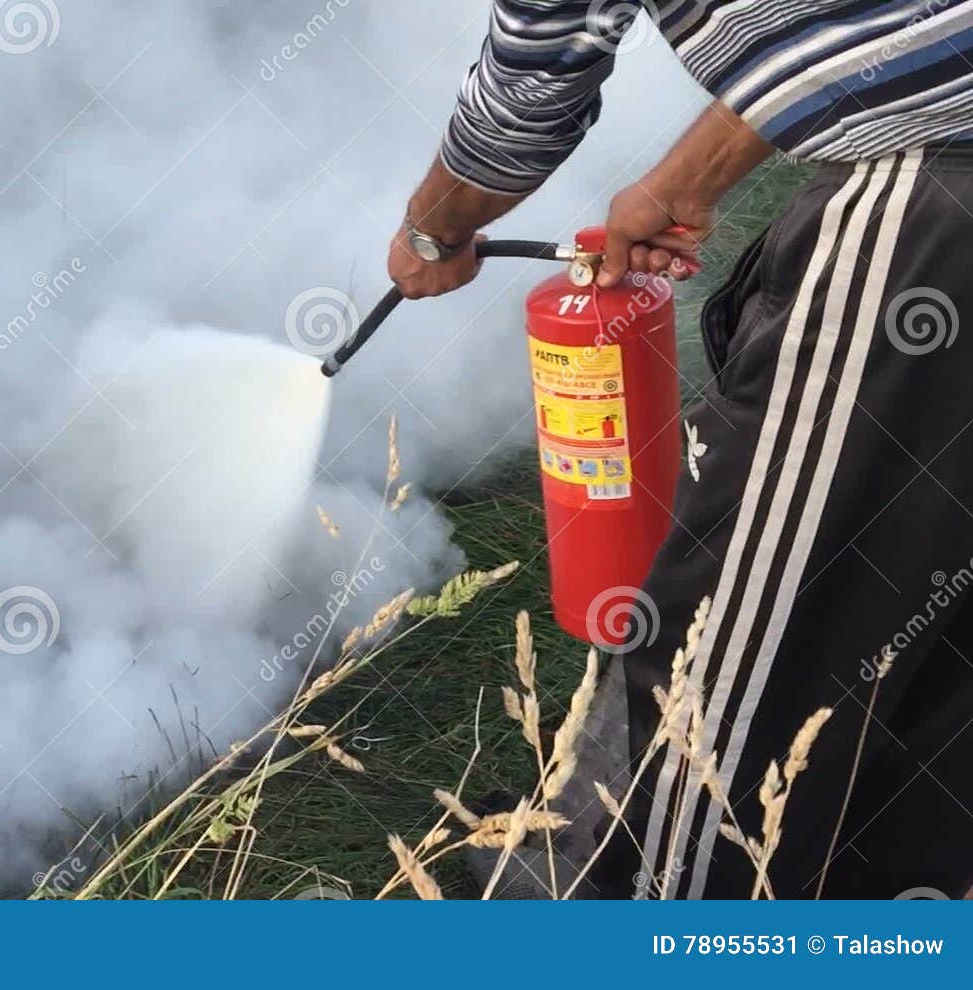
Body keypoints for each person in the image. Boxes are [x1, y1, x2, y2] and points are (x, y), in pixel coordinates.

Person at [392, 0, 973, 899]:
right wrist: (687, 178)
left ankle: (656, 910)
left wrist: (434, 228)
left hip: (935, 198)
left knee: (749, 628)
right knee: (928, 610)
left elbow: (533, 80)